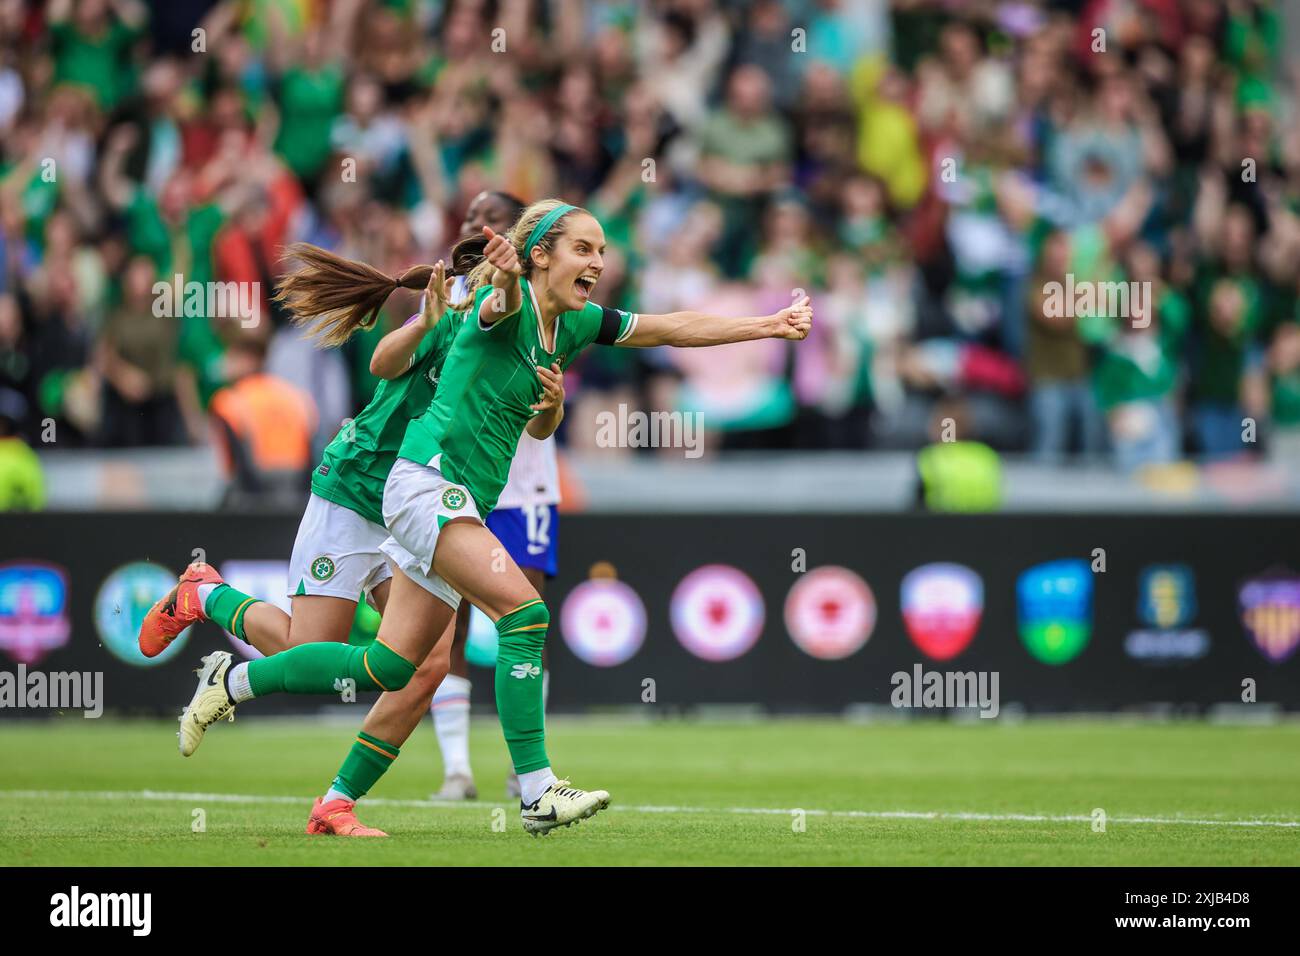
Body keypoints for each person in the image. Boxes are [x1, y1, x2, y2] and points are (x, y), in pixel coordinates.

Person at [172, 198, 813, 837]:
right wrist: (503, 277)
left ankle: (240, 685)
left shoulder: (578, 324)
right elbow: (492, 308)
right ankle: (536, 791)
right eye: (583, 249)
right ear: (539, 255)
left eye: (602, 252)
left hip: (455, 499)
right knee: (525, 613)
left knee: (392, 668)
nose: (597, 262)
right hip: (424, 486)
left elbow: (670, 328)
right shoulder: (497, 307)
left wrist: (769, 324)